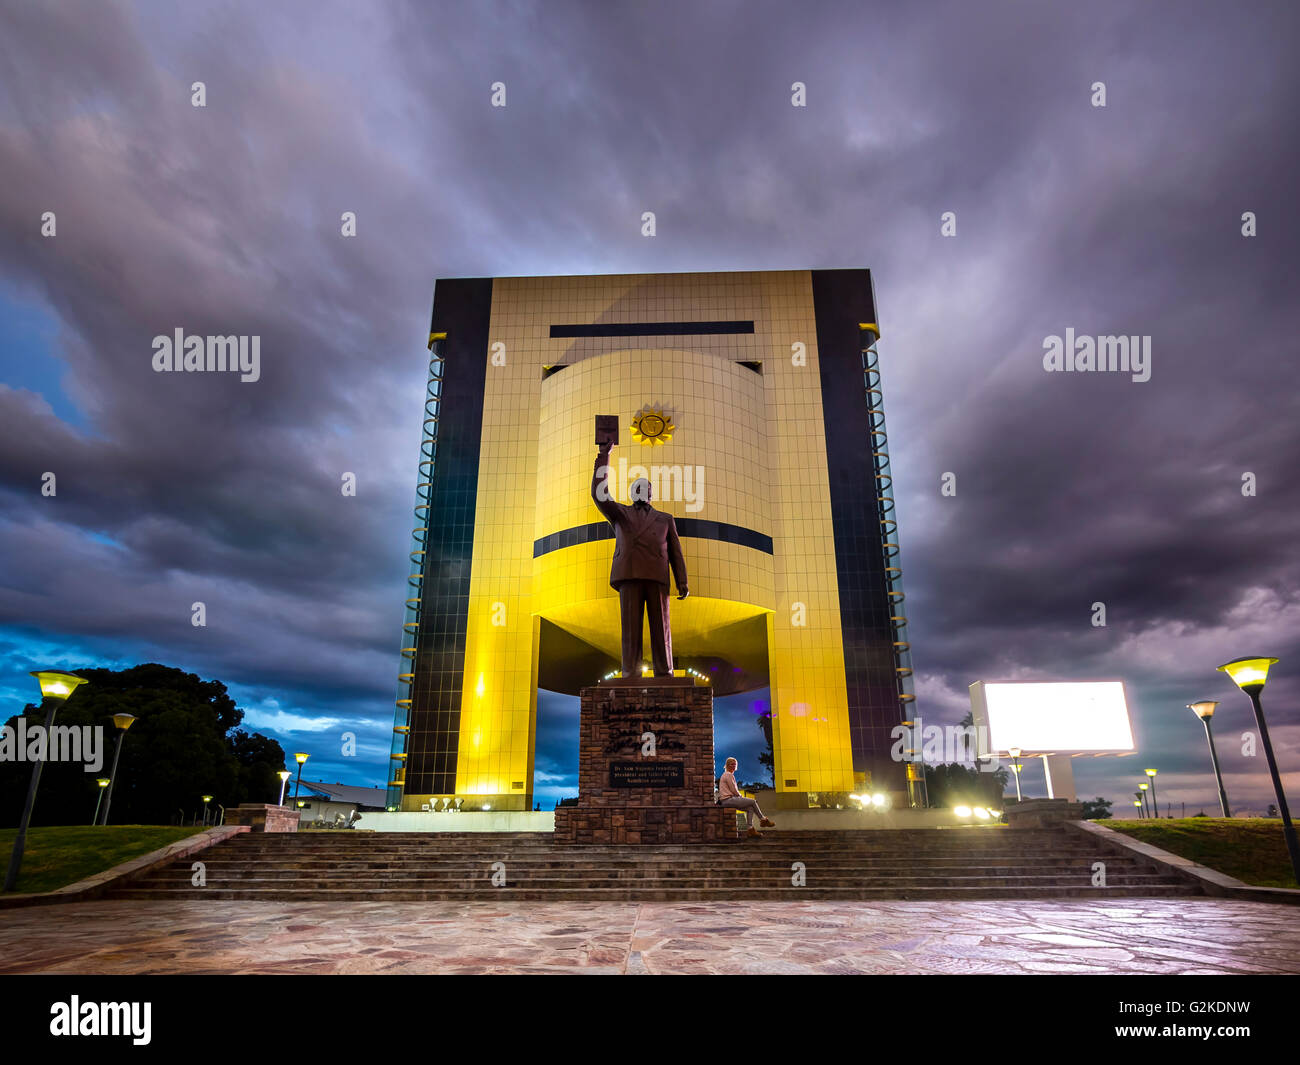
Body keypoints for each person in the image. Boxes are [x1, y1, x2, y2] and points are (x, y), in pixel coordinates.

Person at [591, 441, 688, 676]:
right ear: (632, 493)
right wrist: (604, 455)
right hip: (630, 574)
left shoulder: (665, 519)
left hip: (657, 576)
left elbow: (675, 552)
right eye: (638, 487)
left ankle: (665, 672)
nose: (642, 491)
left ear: (651, 493)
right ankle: (630, 674)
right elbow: (600, 494)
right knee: (631, 630)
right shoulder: (620, 514)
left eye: (646, 487)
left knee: (661, 628)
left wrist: (682, 581)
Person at [717, 757, 774, 837]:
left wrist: (739, 797)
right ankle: (763, 819)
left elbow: (733, 790)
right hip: (727, 800)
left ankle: (750, 829)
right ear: (727, 765)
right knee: (753, 801)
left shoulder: (727, 775)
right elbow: (733, 789)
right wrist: (740, 796)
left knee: (750, 808)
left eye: (735, 764)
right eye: (731, 764)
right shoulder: (728, 774)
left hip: (728, 800)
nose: (733, 766)